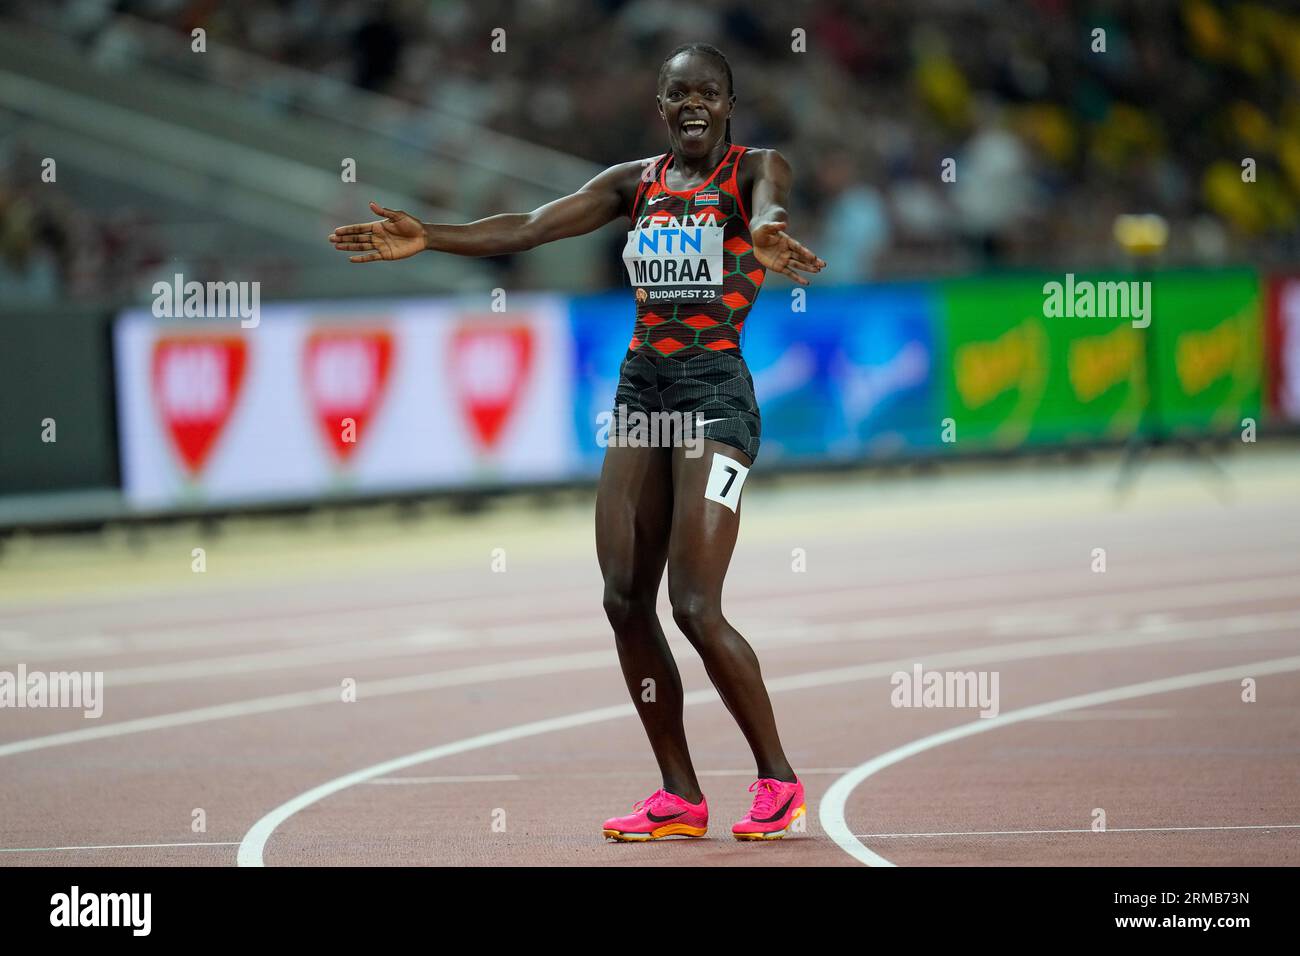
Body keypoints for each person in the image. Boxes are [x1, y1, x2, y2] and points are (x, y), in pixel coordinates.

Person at [328, 42, 825, 842]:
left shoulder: (754, 167)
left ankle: (778, 780)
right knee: (623, 600)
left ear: (729, 105)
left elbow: (770, 205)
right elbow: (527, 226)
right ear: (661, 106)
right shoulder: (635, 184)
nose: (691, 102)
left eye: (706, 91)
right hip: (642, 394)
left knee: (694, 606)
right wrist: (432, 236)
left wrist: (767, 233)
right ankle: (679, 795)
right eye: (676, 93)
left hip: (714, 399)